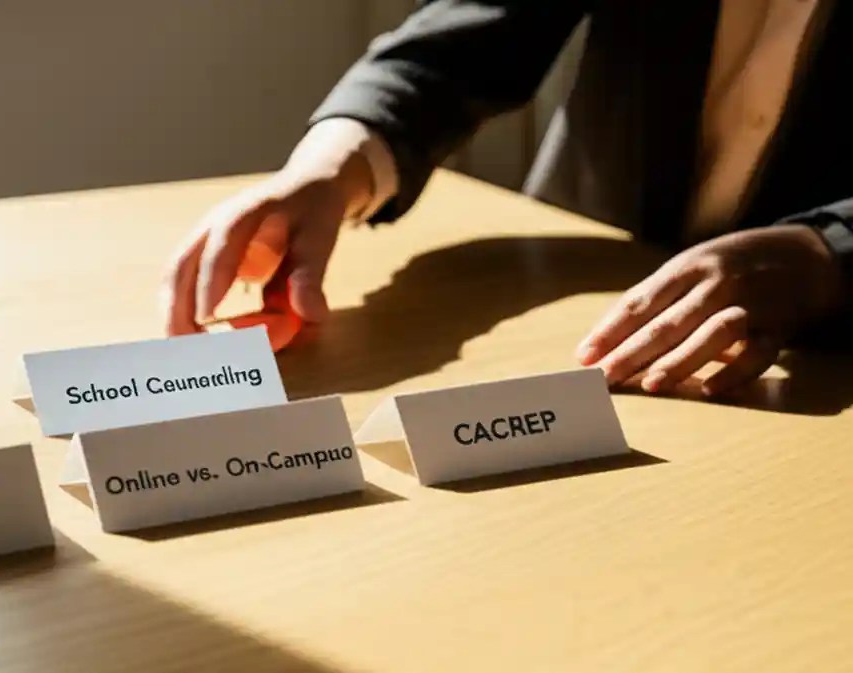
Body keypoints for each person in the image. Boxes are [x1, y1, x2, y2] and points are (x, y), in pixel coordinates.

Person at [161, 0, 852, 396]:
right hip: (580, 289)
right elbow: (475, 28)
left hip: (818, 374)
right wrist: (331, 166)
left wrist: (827, 251)